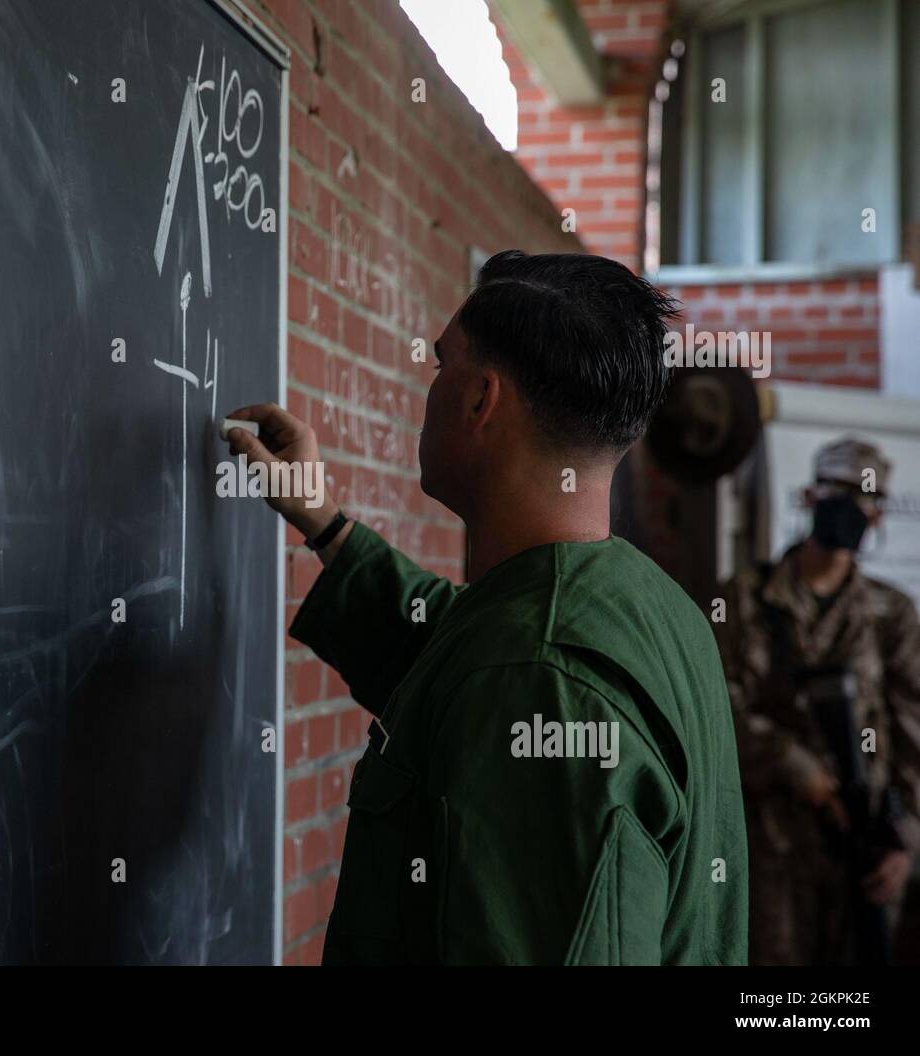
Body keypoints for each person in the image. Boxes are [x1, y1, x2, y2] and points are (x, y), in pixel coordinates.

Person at [225, 250, 747, 964]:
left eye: (443, 367)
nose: (430, 390)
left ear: (480, 400)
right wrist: (327, 524)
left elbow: (507, 677)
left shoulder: (536, 680)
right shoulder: (644, 606)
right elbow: (452, 651)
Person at [715, 438, 920, 964]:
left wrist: (905, 841)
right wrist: (794, 765)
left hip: (863, 843)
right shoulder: (743, 598)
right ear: (808, 497)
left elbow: (912, 731)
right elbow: (716, 711)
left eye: (865, 499)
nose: (852, 509)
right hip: (772, 848)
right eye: (838, 493)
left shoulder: (890, 613)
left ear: (878, 517)